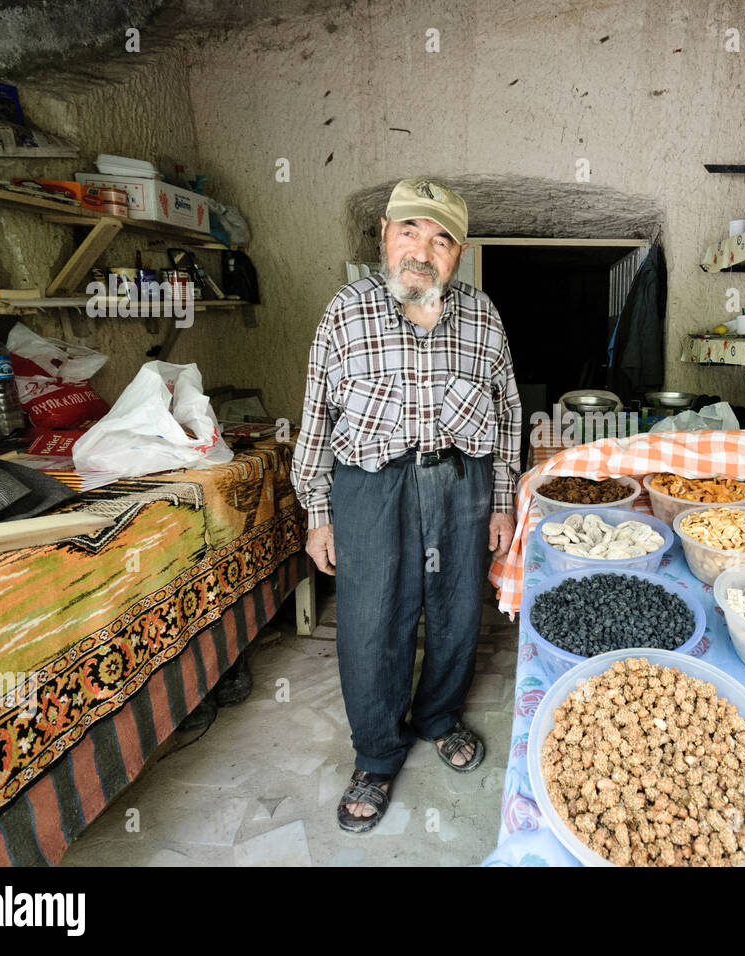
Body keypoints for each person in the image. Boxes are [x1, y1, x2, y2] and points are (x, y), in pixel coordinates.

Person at [291, 178, 521, 832]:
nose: (423, 250)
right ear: (385, 237)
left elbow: (508, 413)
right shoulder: (346, 312)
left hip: (462, 480)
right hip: (370, 487)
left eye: (441, 238)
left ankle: (440, 717)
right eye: (410, 231)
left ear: (460, 252)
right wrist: (317, 511)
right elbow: (315, 417)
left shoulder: (482, 316)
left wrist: (502, 500)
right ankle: (377, 753)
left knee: (455, 612)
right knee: (371, 621)